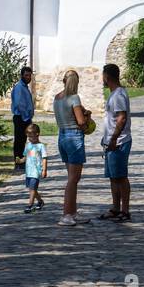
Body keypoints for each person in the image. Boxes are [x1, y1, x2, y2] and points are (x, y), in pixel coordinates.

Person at [53, 69, 92, 226]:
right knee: (73, 179)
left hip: (62, 136)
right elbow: (81, 122)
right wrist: (87, 117)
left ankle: (72, 211)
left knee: (72, 177)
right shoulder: (74, 98)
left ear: (63, 81)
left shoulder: (57, 98)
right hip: (74, 137)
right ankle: (67, 214)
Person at [98, 63, 132, 222]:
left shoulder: (118, 95)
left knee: (121, 177)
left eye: (103, 75)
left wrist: (113, 139)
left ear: (107, 77)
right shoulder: (114, 94)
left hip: (118, 142)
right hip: (111, 142)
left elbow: (121, 118)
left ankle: (125, 210)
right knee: (113, 176)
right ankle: (115, 208)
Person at [11, 66, 34, 169]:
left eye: (30, 75)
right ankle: (18, 162)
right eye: (26, 75)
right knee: (19, 140)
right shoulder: (19, 87)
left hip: (25, 118)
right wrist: (26, 117)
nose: (28, 77)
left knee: (23, 140)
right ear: (22, 76)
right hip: (21, 117)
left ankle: (21, 160)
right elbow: (19, 104)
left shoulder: (25, 86)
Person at [22, 123, 48, 213]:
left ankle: (30, 205)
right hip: (28, 171)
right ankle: (40, 201)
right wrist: (20, 161)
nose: (29, 138)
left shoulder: (41, 146)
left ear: (37, 134)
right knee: (32, 189)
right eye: (28, 137)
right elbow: (26, 156)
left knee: (32, 189)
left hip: (36, 172)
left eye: (31, 136)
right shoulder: (28, 145)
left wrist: (44, 170)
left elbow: (44, 158)